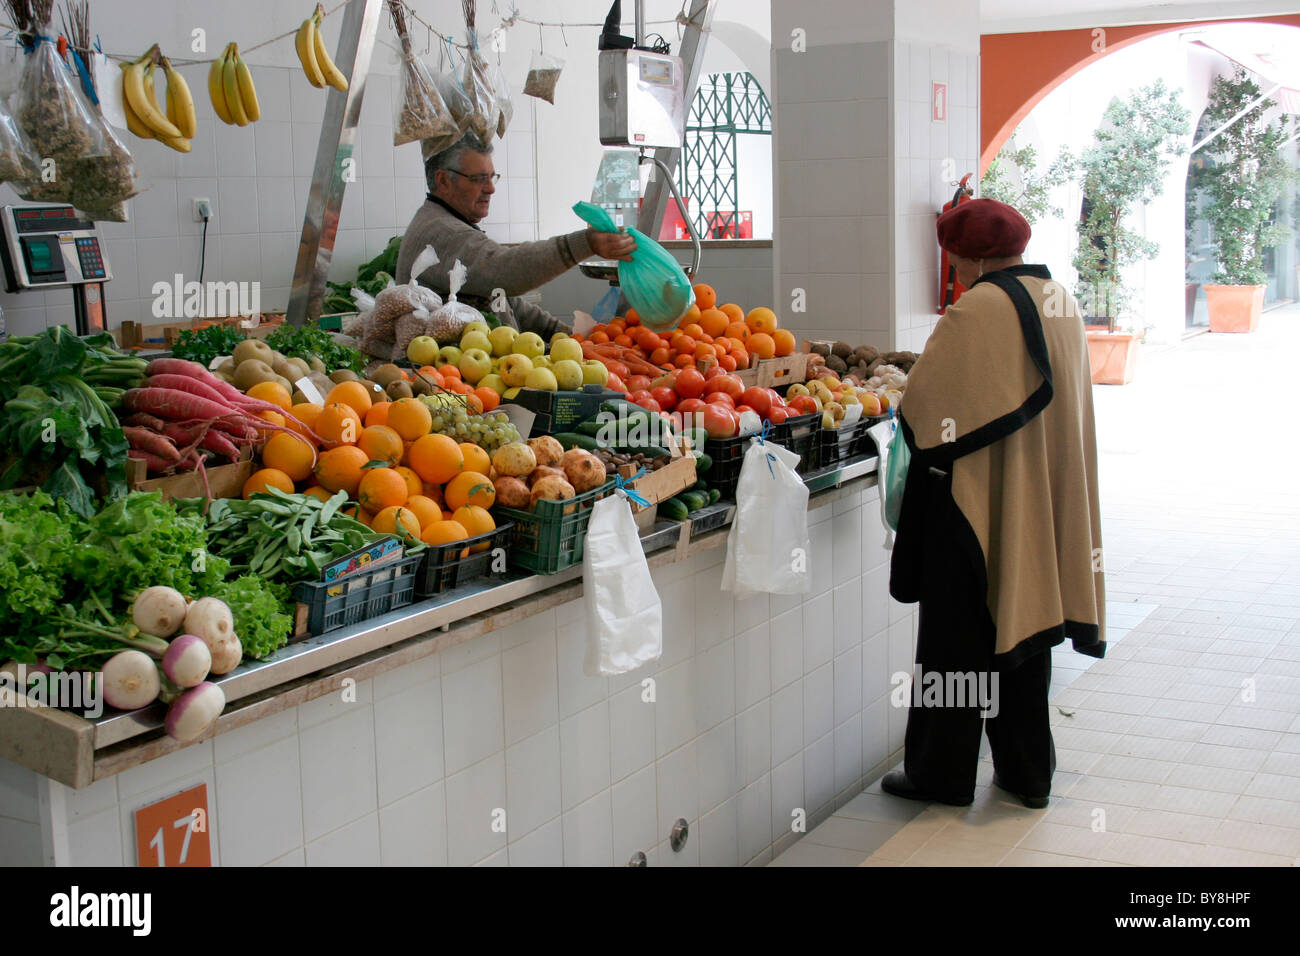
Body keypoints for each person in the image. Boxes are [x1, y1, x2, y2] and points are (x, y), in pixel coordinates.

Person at [882, 198, 1105, 810]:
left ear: (966, 255)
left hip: (976, 497)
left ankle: (941, 774)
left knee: (956, 637)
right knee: (1023, 626)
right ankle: (1027, 773)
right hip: (1038, 494)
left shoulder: (980, 307)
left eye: (952, 256)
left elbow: (926, 408)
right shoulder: (1057, 300)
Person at [395, 131, 636, 339]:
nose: (490, 188)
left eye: (491, 177)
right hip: (450, 380)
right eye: (479, 179)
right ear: (443, 180)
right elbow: (504, 270)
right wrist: (585, 243)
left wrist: (563, 334)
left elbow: (503, 299)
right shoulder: (440, 231)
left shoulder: (450, 221)